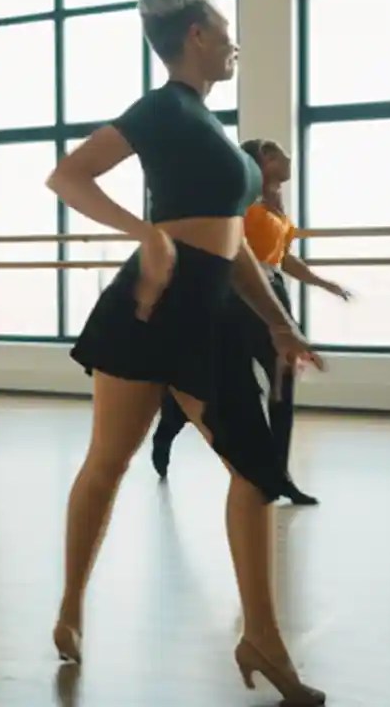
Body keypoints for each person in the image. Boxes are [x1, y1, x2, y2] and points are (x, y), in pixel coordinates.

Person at [45, 0, 325, 704]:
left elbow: (234, 247)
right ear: (196, 35)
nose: (235, 44)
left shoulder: (207, 123)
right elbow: (68, 176)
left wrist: (279, 322)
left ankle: (261, 636)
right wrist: (146, 234)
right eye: (226, 31)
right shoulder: (163, 108)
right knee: (109, 461)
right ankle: (71, 606)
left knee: (255, 470)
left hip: (210, 308)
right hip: (151, 305)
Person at [148, 138, 352, 506]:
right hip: (239, 296)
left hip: (274, 292)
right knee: (229, 383)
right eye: (282, 156)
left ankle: (279, 476)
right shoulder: (242, 203)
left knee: (283, 382)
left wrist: (323, 283)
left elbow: (283, 258)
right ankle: (169, 427)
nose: (289, 161)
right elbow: (225, 251)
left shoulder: (277, 210)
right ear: (265, 159)